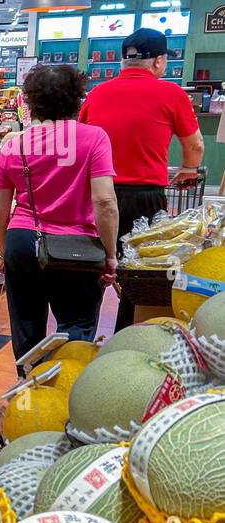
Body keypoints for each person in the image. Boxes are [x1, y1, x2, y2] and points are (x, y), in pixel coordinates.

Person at [78, 27, 204, 330]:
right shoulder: (172, 93)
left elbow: (80, 139)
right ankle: (127, 334)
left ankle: (80, 337)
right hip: (146, 198)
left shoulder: (97, 94)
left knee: (93, 271)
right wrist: (187, 172)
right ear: (159, 61)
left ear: (124, 60)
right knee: (140, 275)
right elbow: (195, 145)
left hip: (97, 194)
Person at [0, 64, 119, 360]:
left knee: (26, 324)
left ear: (31, 102)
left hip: (23, 241)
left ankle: (30, 391)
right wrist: (110, 253)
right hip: (78, 248)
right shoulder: (94, 138)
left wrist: (2, 252)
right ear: (77, 99)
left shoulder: (14, 145)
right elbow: (104, 202)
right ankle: (64, 390)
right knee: (77, 324)